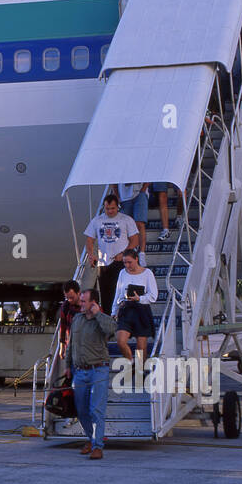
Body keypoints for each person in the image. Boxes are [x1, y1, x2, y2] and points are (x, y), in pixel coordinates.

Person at [69, 289, 117, 460]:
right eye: (80, 301)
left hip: (98, 370)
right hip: (80, 371)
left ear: (93, 303)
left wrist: (98, 314)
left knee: (96, 410)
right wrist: (69, 366)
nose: (80, 304)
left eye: (83, 301)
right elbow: (71, 344)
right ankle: (91, 438)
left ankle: (98, 446)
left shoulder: (102, 319)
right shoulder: (77, 319)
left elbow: (111, 330)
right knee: (82, 411)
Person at [83, 193, 140, 328]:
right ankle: (109, 326)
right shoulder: (97, 220)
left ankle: (125, 324)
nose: (110, 211)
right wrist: (91, 255)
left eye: (113, 208)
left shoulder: (126, 220)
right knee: (106, 296)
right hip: (104, 263)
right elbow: (89, 240)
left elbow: (135, 240)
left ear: (118, 207)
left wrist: (124, 253)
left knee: (122, 293)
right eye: (107, 209)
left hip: (121, 262)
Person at [111, 249, 158, 366]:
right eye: (125, 263)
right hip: (126, 308)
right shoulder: (123, 273)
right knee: (121, 340)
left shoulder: (147, 273)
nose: (127, 265)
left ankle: (140, 371)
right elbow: (118, 293)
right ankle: (130, 361)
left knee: (141, 345)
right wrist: (114, 310)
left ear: (136, 259)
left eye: (129, 262)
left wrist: (140, 298)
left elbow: (153, 296)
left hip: (141, 309)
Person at [115, 183, 150, 261]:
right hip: (124, 197)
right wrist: (117, 196)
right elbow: (113, 180)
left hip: (140, 193)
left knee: (140, 223)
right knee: (127, 226)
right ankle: (131, 251)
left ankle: (142, 253)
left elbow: (149, 174)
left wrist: (143, 189)